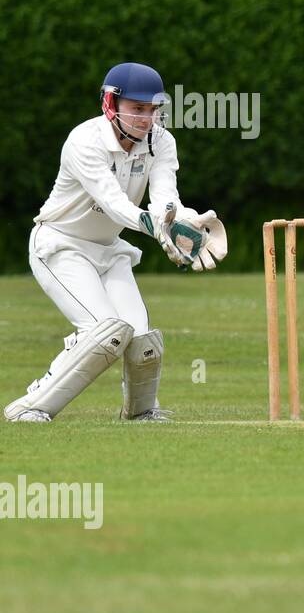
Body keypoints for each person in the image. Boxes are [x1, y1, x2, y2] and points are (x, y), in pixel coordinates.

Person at [5, 62, 227, 423]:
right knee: (104, 332)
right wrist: (156, 226)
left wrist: (183, 220)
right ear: (111, 103)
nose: (146, 119)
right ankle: (30, 407)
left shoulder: (162, 140)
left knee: (142, 341)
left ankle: (141, 413)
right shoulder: (84, 141)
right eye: (137, 109)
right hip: (60, 246)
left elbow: (164, 198)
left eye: (153, 110)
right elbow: (114, 203)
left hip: (109, 250)